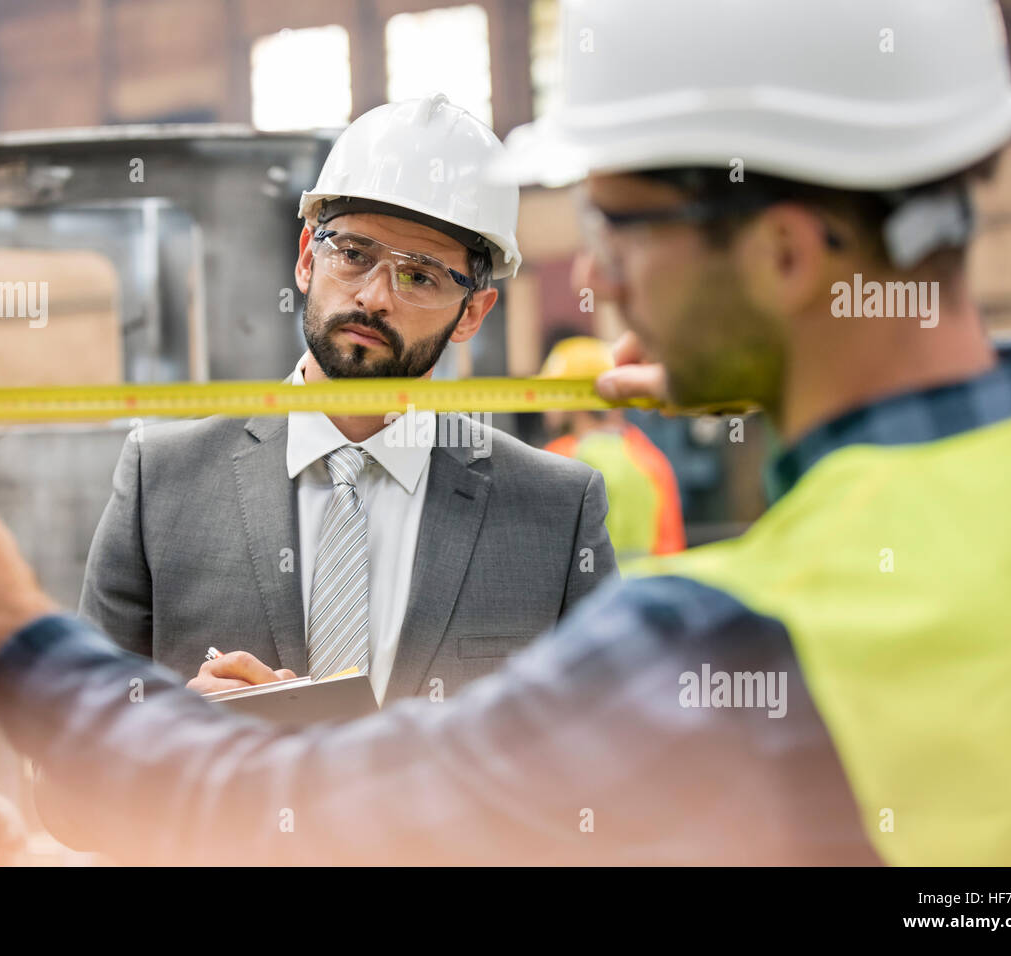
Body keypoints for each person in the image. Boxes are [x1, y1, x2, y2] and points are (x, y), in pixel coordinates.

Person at [0, 0, 1011, 865]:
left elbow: (291, 810)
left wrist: (6, 627)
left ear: (784, 250)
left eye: (620, 227)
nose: (605, 285)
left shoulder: (718, 637)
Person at [79, 92, 615, 706]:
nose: (374, 296)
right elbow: (66, 755)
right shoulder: (162, 482)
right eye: (353, 255)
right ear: (308, 258)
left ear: (472, 312)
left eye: (419, 275)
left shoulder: (555, 511)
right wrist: (173, 733)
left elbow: (611, 767)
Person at [540, 335, 685, 563]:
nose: (542, 404)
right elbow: (671, 552)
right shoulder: (651, 459)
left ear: (575, 395)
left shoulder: (557, 459)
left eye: (549, 391)